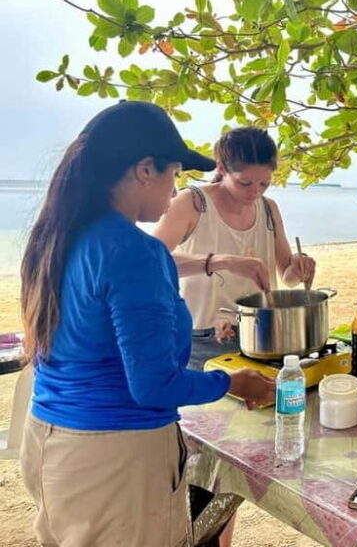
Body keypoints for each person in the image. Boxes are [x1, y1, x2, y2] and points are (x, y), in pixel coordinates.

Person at [19, 101, 274, 546]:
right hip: (115, 460)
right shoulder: (136, 251)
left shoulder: (58, 236)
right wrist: (230, 382)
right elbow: (154, 386)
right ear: (144, 170)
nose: (174, 187)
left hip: (48, 442)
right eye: (173, 173)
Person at [153, 126, 316, 371]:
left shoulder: (269, 208)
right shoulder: (192, 203)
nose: (255, 192)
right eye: (245, 182)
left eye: (264, 183)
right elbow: (151, 262)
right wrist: (222, 261)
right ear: (221, 169)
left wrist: (299, 265)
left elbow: (288, 278)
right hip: (202, 339)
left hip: (263, 334)